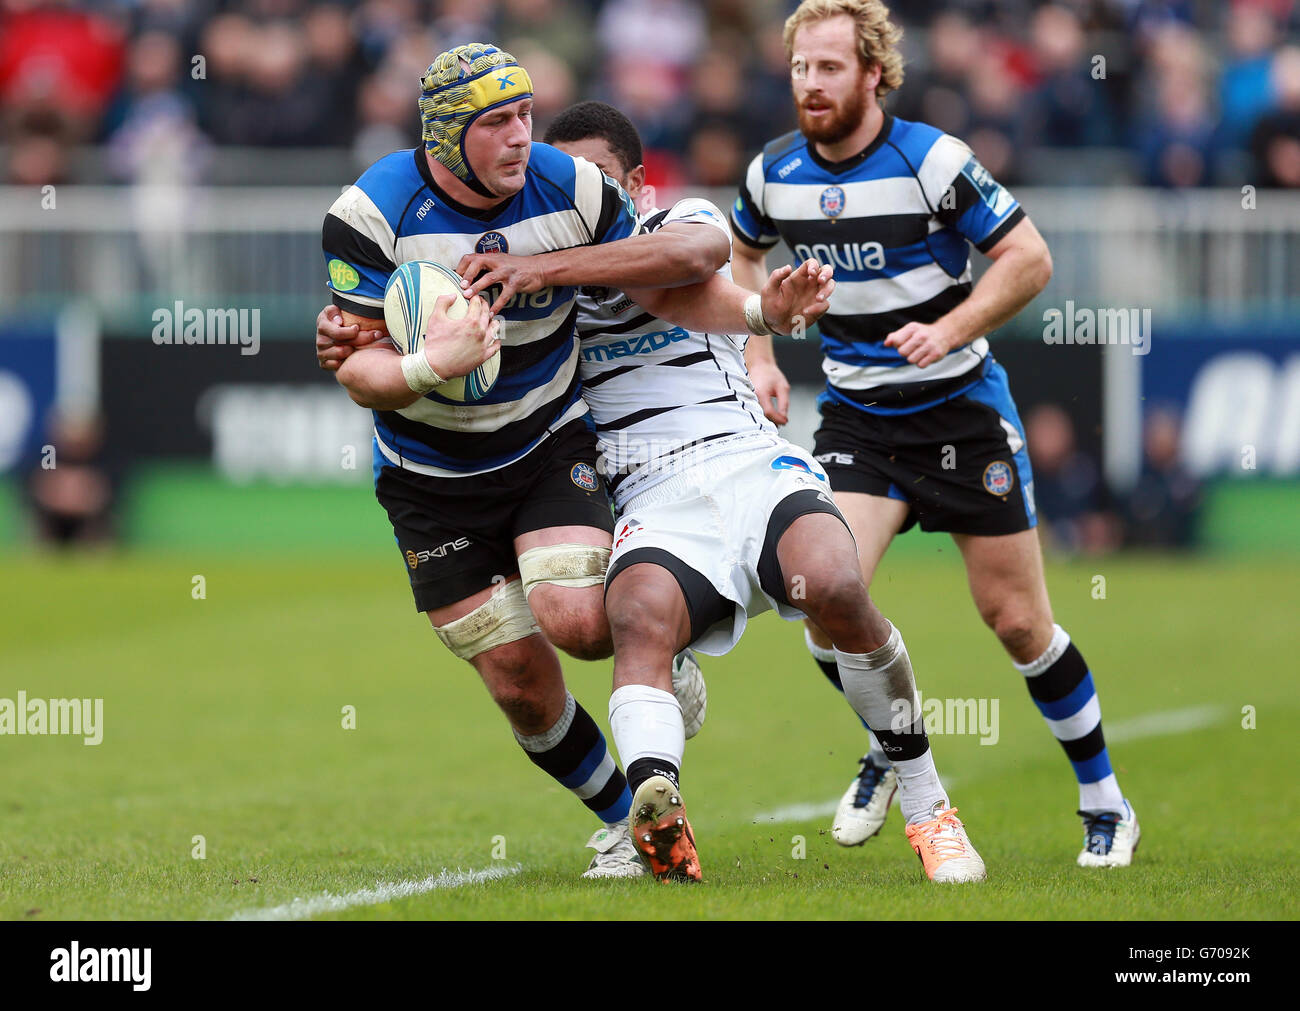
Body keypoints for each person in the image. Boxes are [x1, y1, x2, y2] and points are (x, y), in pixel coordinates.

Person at [472, 100, 986, 884]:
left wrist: (759, 319)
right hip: (651, 492)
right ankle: (659, 821)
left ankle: (928, 803)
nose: (582, 199)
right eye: (564, 183)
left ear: (638, 184)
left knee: (838, 586)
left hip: (746, 462)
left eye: (599, 180)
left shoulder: (672, 221)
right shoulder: (543, 289)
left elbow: (695, 257)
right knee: (635, 616)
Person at [729, 0, 1139, 868]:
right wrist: (761, 354)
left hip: (960, 411)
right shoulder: (773, 173)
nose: (811, 84)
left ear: (874, 73)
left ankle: (1105, 800)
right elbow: (742, 258)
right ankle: (896, 745)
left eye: (830, 68)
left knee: (1019, 622)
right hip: (859, 420)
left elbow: (1029, 257)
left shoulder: (933, 161)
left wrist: (949, 329)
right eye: (801, 67)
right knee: (818, 593)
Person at [320, 43, 713, 880]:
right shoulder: (370, 213)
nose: (519, 138)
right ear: (443, 136)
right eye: (496, 122)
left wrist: (752, 324)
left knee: (576, 620)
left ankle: (660, 647)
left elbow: (662, 266)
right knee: (519, 684)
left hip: (545, 441)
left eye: (526, 115)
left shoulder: (570, 185)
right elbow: (357, 369)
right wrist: (432, 365)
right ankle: (628, 822)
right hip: (427, 477)